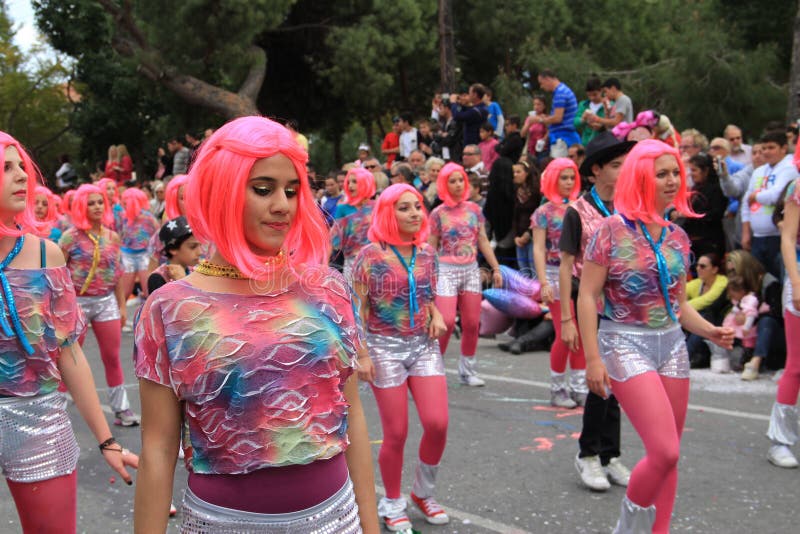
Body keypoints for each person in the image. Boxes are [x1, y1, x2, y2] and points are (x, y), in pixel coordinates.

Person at [133, 116, 378, 533]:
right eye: (262, 189)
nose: (282, 204)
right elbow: (157, 451)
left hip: (336, 521)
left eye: (292, 190)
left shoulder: (329, 290)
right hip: (222, 524)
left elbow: (351, 417)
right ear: (221, 191)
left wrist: (370, 528)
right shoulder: (170, 308)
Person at [578, 139, 734, 533]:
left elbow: (679, 306)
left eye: (675, 173)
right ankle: (627, 527)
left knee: (670, 455)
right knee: (663, 452)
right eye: (660, 173)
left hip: (671, 347)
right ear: (640, 177)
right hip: (623, 343)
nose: (670, 180)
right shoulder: (610, 230)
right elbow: (587, 294)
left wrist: (711, 330)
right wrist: (593, 359)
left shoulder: (677, 238)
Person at [0, 132, 137, 533]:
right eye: (6, 168)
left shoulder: (46, 255)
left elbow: (69, 352)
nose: (21, 176)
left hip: (38, 417)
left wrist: (107, 439)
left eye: (21, 165)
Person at [353, 183, 449, 531]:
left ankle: (423, 492)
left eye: (418, 207)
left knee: (438, 424)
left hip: (423, 346)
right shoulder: (370, 255)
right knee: (396, 432)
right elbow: (357, 308)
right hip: (384, 348)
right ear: (387, 212)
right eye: (404, 208)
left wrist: (437, 314)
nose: (414, 214)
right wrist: (362, 354)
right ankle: (392, 501)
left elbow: (428, 296)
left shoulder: (427, 253)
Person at [559, 131, 634, 493]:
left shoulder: (630, 206)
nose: (624, 171)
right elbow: (565, 266)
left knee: (616, 384)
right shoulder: (577, 211)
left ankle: (610, 454)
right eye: (617, 165)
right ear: (595, 171)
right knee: (599, 382)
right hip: (589, 304)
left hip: (622, 306)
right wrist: (566, 318)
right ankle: (588, 454)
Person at [59, 184, 140, 427]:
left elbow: (116, 275)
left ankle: (122, 409)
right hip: (77, 303)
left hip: (106, 302)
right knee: (70, 357)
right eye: (90, 203)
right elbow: (58, 275)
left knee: (112, 357)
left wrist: (122, 307)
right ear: (82, 207)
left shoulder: (112, 237)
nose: (96, 207)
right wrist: (63, 307)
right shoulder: (70, 237)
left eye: (99, 202)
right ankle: (57, 409)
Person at [429, 162, 503, 386]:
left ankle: (467, 370)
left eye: (461, 179)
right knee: (448, 321)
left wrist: (496, 267)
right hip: (446, 271)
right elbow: (431, 247)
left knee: (472, 323)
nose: (458, 184)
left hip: (471, 270)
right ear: (444, 184)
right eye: (452, 181)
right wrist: (425, 274)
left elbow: (482, 240)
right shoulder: (437, 213)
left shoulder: (475, 210)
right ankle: (434, 367)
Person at [532, 158, 587, 408]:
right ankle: (557, 388)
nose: (568, 182)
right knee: (566, 333)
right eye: (563, 177)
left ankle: (578, 386)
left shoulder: (582, 208)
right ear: (553, 179)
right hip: (555, 277)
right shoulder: (543, 213)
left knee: (583, 334)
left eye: (572, 177)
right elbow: (538, 249)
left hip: (583, 277)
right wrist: (543, 281)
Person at [765, 173, 800, 467]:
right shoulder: (798, 185)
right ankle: (780, 442)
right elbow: (787, 239)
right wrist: (797, 283)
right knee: (797, 366)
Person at [330, 167, 376, 282]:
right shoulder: (342, 208)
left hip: (377, 261)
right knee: (354, 298)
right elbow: (335, 240)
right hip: (352, 262)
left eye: (355, 182)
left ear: (366, 183)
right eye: (348, 182)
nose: (350, 185)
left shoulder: (376, 206)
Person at [685, 253, 729, 368]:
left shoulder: (722, 281)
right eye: (697, 266)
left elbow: (707, 300)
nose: (698, 269)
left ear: (715, 269)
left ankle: (686, 356)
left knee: (700, 316)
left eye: (703, 266)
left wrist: (682, 308)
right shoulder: (698, 283)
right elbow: (678, 297)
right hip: (704, 323)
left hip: (718, 321)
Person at [680, 153, 727, 260]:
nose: (691, 174)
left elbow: (716, 214)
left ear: (705, 170)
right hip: (694, 242)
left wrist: (693, 215)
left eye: (694, 170)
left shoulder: (716, 189)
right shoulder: (695, 189)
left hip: (710, 242)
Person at [117, 188, 159, 301]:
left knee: (149, 292)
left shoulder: (148, 218)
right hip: (127, 255)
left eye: (127, 202)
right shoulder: (121, 217)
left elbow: (157, 237)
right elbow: (116, 235)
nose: (124, 205)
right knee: (124, 293)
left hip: (145, 255)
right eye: (123, 202)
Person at [146, 216, 202, 295]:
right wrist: (181, 282)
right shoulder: (158, 278)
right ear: (173, 249)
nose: (200, 252)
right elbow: (163, 306)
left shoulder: (197, 271)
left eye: (200, 245)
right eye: (192, 247)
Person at [534, 70, 580, 156]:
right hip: (565, 136)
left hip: (562, 138)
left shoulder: (560, 93)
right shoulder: (563, 90)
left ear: (547, 79)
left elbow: (557, 118)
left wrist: (540, 120)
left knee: (558, 167)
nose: (541, 86)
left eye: (542, 83)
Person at [511, 159, 540, 276]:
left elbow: (538, 215)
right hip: (519, 236)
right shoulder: (516, 191)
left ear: (527, 173)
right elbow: (514, 215)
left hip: (533, 235)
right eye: (514, 172)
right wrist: (516, 236)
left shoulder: (536, 192)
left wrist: (528, 233)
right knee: (524, 271)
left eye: (518, 172)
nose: (515, 175)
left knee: (535, 270)